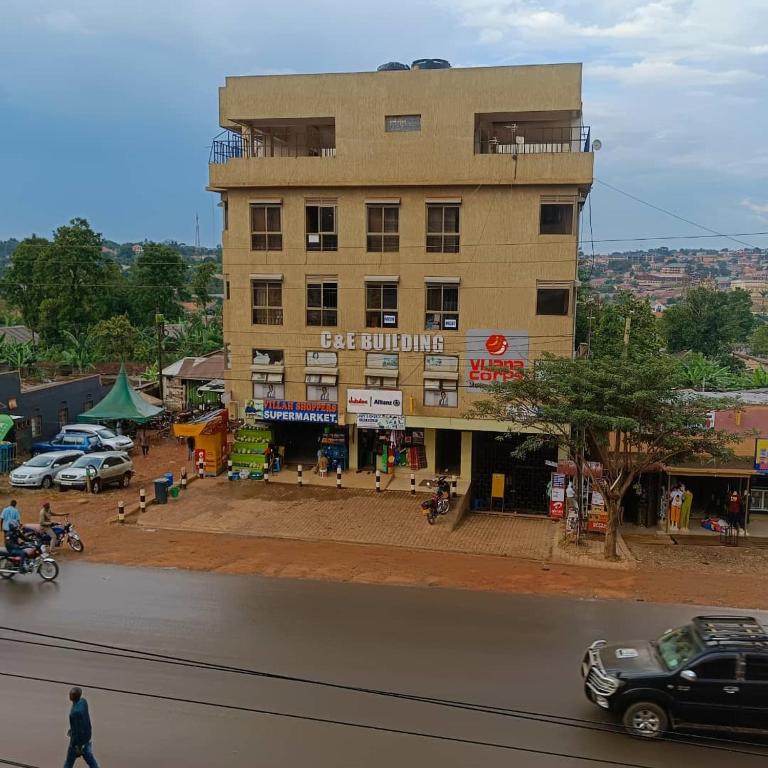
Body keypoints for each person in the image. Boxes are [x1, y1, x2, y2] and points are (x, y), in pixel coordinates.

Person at [64, 687, 100, 768]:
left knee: (69, 762)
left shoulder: (74, 713)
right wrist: (72, 729)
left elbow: (78, 732)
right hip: (87, 736)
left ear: (71, 697)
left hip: (78, 743)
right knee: (90, 759)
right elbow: (82, 721)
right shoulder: (83, 701)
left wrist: (78, 747)